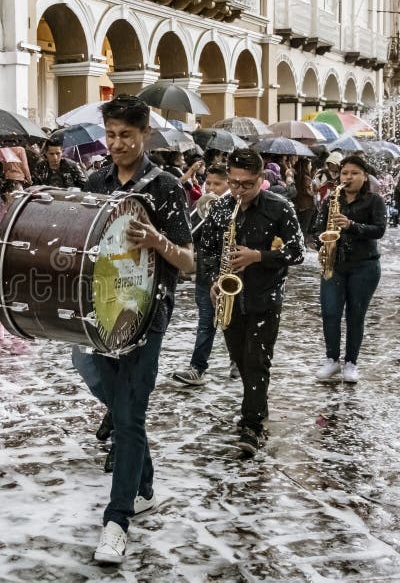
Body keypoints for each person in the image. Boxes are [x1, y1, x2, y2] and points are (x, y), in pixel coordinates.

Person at [69, 95, 194, 564]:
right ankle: (143, 482)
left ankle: (117, 521)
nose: (116, 144)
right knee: (116, 401)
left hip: (146, 316)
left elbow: (189, 261)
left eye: (126, 135)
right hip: (99, 314)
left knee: (128, 416)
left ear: (145, 135)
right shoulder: (96, 179)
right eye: (111, 135)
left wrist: (156, 239)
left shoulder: (164, 187)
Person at [199, 148, 304, 456]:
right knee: (242, 360)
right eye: (234, 183)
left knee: (257, 361)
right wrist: (213, 282)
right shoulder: (222, 208)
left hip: (265, 296)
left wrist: (258, 256)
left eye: (246, 184)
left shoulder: (280, 207)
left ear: (261, 179)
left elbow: (298, 252)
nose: (239, 190)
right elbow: (206, 250)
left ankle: (251, 426)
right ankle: (256, 406)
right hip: (231, 298)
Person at [313, 155, 386, 384]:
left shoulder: (374, 201)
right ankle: (332, 360)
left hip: (364, 266)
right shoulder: (331, 199)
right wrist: (322, 242)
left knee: (356, 315)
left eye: (354, 173)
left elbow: (379, 229)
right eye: (345, 173)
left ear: (365, 177)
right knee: (330, 313)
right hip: (335, 263)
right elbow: (316, 228)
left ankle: (351, 363)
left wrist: (352, 226)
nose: (349, 177)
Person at [171, 164, 239, 386]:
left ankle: (237, 361)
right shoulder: (204, 204)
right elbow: (191, 236)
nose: (211, 187)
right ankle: (197, 368)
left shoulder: (236, 205)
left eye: (217, 184)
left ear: (229, 184)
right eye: (208, 183)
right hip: (206, 275)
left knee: (231, 321)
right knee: (206, 323)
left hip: (232, 274)